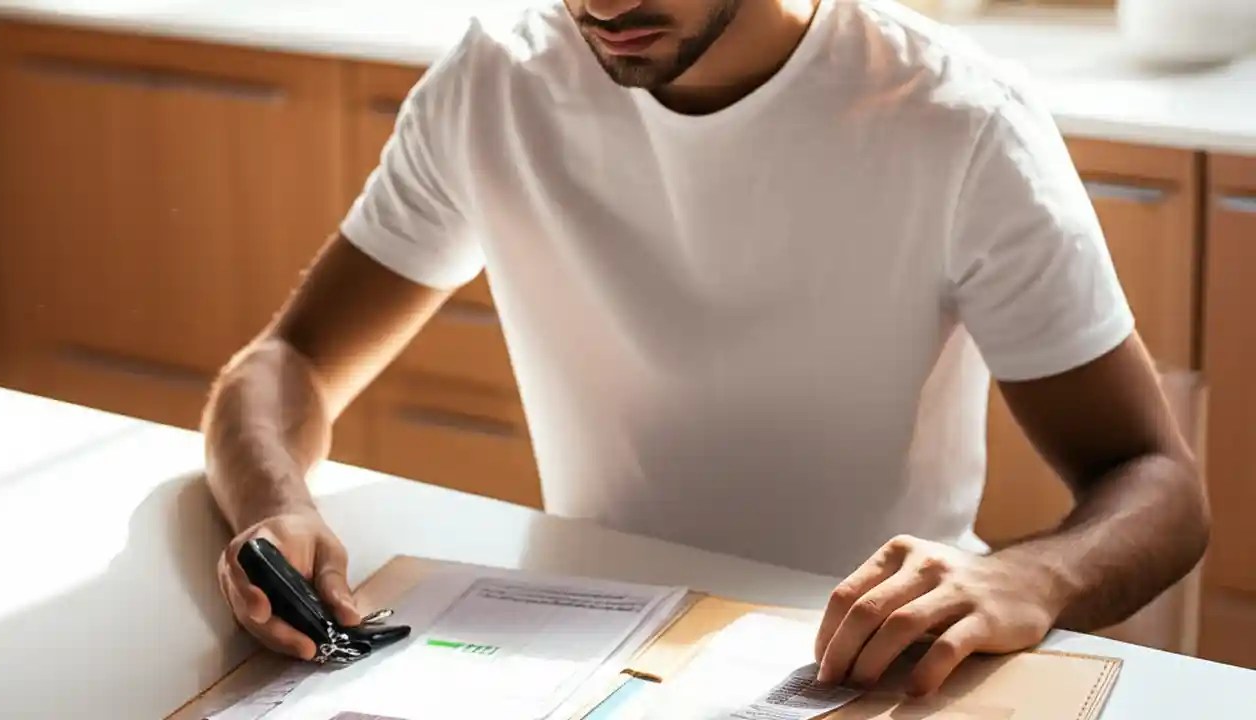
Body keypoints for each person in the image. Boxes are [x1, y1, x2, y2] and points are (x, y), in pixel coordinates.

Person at [203, 0, 1209, 696]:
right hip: (585, 651)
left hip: (860, 661)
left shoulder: (957, 121)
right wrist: (274, 508)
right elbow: (284, 363)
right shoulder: (495, 81)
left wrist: (1030, 578)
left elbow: (1155, 484)